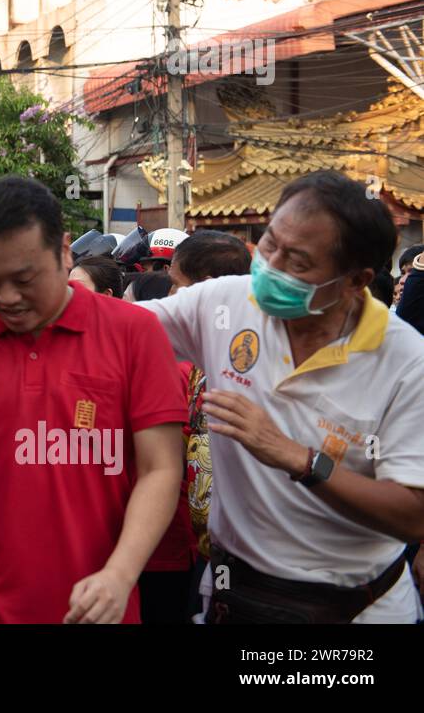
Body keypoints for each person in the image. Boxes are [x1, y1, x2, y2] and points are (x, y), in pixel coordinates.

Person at [0, 176, 186, 623]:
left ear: (64, 251)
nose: (7, 298)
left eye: (24, 278)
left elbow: (161, 468)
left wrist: (120, 573)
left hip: (94, 607)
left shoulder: (132, 332)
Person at [140, 171, 424, 623]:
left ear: (357, 280)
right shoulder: (224, 304)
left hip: (355, 609)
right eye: (270, 244)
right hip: (234, 596)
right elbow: (119, 329)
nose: (270, 268)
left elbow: (412, 515)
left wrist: (299, 459)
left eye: (298, 262)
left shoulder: (407, 361)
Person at [139, 230, 254, 623]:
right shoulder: (204, 350)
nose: (171, 296)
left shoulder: (254, 350)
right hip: (211, 552)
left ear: (204, 290)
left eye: (176, 285)